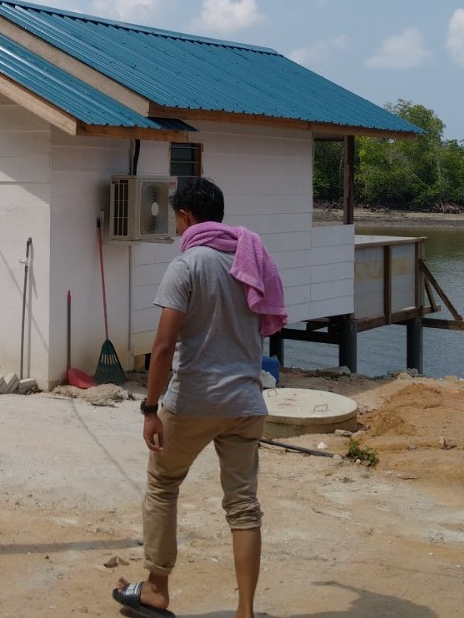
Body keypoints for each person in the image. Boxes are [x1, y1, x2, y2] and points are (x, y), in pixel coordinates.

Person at [114, 176, 286, 618]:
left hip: (192, 402)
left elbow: (165, 346)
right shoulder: (252, 259)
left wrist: (150, 409)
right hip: (246, 403)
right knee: (244, 507)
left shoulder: (188, 264)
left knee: (163, 484)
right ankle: (245, 611)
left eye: (176, 218)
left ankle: (156, 589)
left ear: (186, 216)